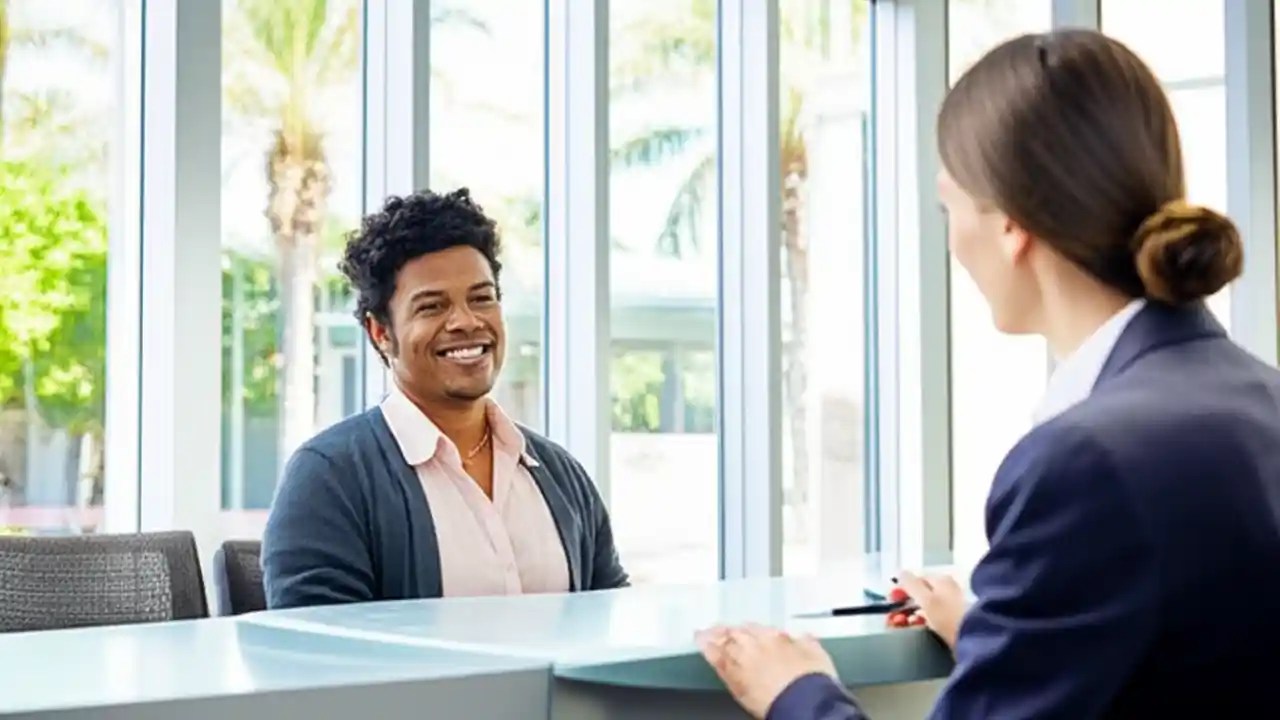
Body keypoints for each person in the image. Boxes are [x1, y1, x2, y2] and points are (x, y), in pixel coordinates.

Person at [697, 29, 1280, 719]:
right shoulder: (1257, 403)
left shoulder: (1084, 463)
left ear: (1010, 226)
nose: (948, 241)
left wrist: (796, 692)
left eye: (949, 205)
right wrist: (1002, 628)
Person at [262, 188, 628, 608]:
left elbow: (609, 629)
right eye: (432, 307)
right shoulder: (330, 478)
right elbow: (316, 656)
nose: (466, 322)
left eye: (482, 298)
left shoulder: (561, 476)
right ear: (381, 333)